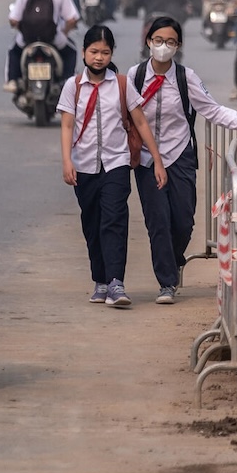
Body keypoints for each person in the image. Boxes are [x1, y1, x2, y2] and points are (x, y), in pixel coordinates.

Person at [128, 16, 237, 303]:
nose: (163, 46)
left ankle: (174, 260)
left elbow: (212, 109)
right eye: (158, 40)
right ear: (148, 42)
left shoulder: (186, 78)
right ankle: (167, 282)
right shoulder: (135, 76)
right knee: (158, 220)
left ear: (178, 46)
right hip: (146, 159)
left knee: (183, 220)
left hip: (179, 154)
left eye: (170, 42)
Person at [58, 25, 167, 307]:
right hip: (84, 166)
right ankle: (101, 281)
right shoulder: (72, 87)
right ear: (84, 52)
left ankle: (117, 282)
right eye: (94, 51)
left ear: (111, 54)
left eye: (105, 52)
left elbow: (140, 121)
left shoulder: (121, 84)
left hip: (116, 163)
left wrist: (157, 159)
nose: (99, 58)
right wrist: (67, 160)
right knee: (92, 223)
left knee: (115, 219)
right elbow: (67, 125)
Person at [4, 0, 79, 93]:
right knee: (71, 51)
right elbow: (72, 19)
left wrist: (23, 29)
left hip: (26, 40)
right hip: (53, 39)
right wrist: (64, 32)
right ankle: (67, 81)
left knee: (13, 50)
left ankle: (12, 81)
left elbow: (13, 20)